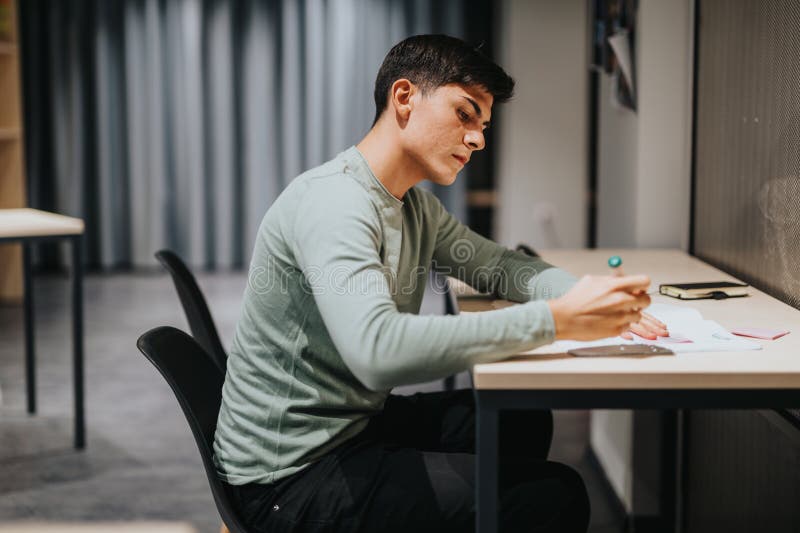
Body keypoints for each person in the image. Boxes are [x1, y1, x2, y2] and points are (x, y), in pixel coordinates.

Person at [213, 34, 665, 533]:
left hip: (350, 424)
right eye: (464, 114)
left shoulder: (414, 206)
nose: (478, 139)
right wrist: (556, 322)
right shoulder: (335, 203)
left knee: (521, 417)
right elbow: (376, 350)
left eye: (484, 125)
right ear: (404, 98)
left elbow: (500, 267)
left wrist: (588, 297)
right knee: (553, 497)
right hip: (289, 476)